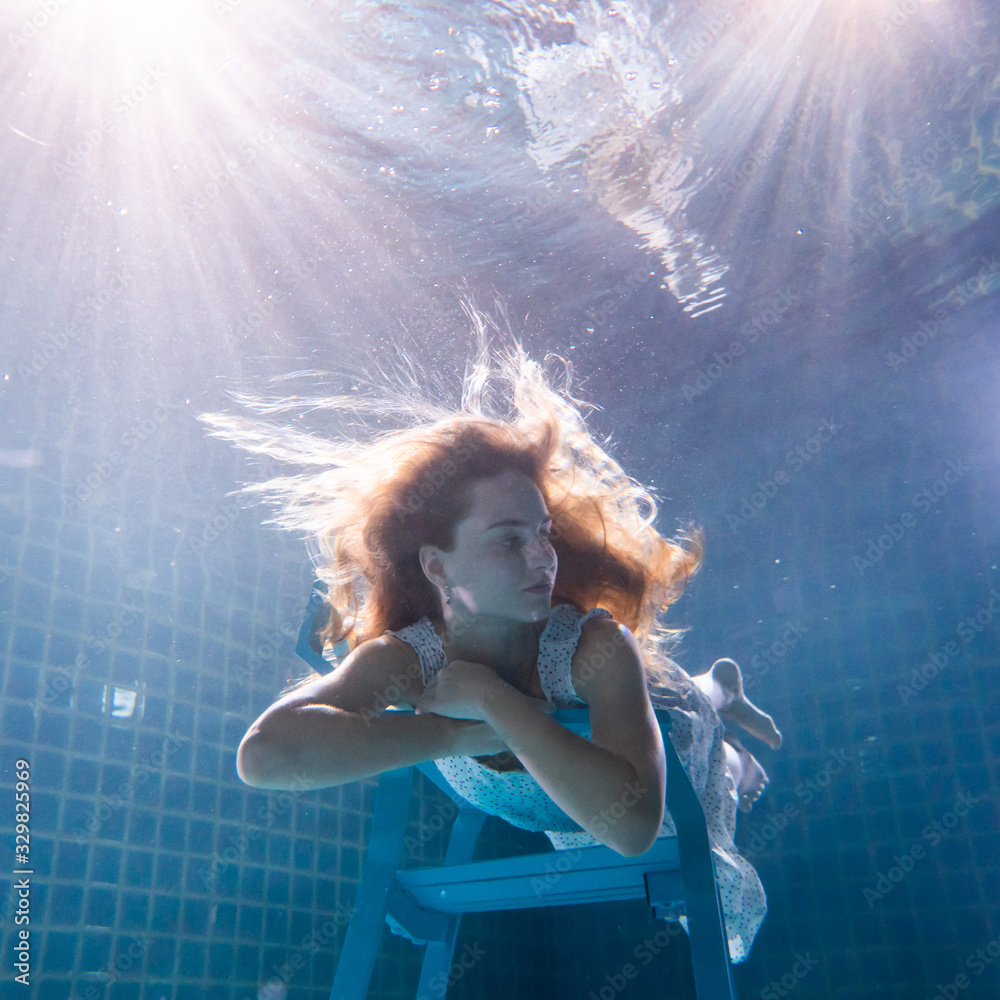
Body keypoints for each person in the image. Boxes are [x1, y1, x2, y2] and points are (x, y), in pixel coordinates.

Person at [204, 323, 778, 961]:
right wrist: (452, 735)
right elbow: (264, 757)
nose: (543, 558)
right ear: (437, 566)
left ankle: (719, 700)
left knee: (707, 772)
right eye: (509, 540)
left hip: (675, 743)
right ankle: (721, 690)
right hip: (571, 796)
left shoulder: (595, 648)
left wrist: (490, 700)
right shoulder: (409, 659)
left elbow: (634, 828)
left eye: (543, 533)